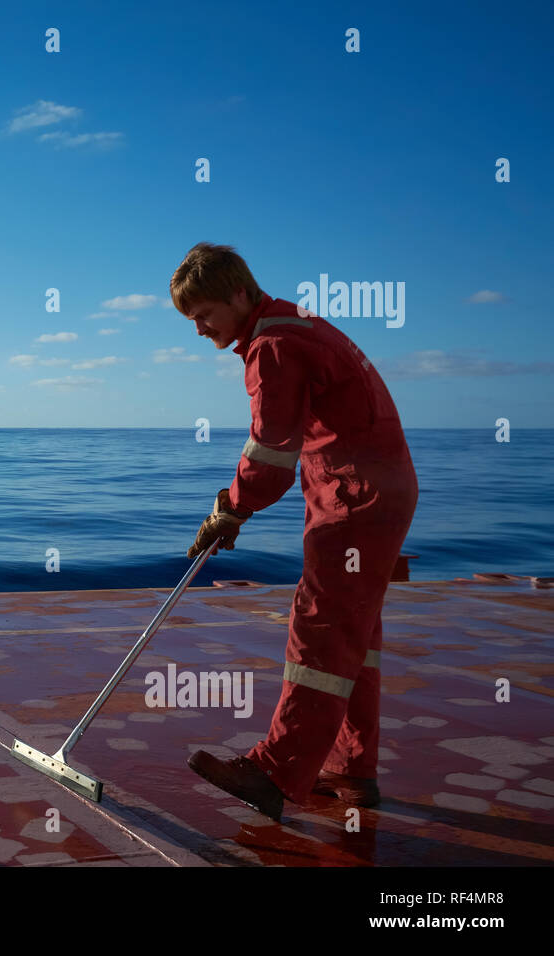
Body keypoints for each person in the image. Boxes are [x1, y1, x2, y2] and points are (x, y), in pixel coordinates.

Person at [173, 242, 417, 821]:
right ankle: (350, 768)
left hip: (355, 497)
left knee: (321, 630)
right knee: (355, 638)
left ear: (238, 293)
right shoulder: (295, 325)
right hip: (373, 491)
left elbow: (272, 447)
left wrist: (230, 510)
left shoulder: (274, 344)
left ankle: (274, 773)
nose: (201, 329)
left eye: (204, 313)